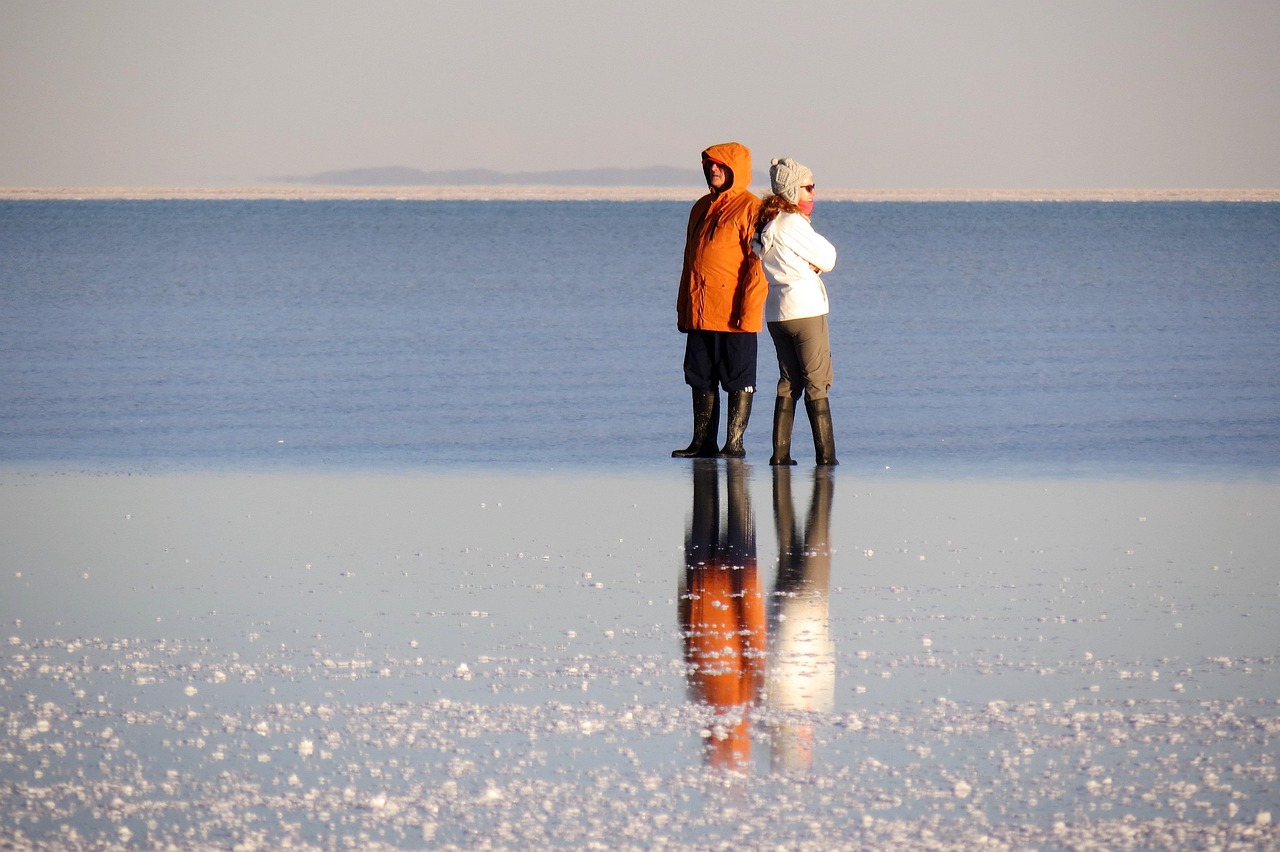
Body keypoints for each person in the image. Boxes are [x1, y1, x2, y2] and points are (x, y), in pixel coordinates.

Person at [673, 142, 768, 459]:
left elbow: (757, 266)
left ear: (734, 169)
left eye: (719, 164)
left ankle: (734, 443)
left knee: (739, 377)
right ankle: (702, 442)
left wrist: (749, 312)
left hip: (734, 313)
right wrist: (685, 310)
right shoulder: (700, 207)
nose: (712, 169)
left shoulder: (752, 209)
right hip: (701, 312)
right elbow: (690, 262)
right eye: (708, 164)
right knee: (699, 375)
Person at [751, 158, 839, 465]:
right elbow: (829, 258)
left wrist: (808, 264)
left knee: (788, 381)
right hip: (805, 310)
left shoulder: (767, 223)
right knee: (817, 381)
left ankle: (780, 454)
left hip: (777, 312)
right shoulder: (793, 223)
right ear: (792, 190)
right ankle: (826, 457)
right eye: (808, 187)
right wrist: (812, 265)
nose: (813, 193)